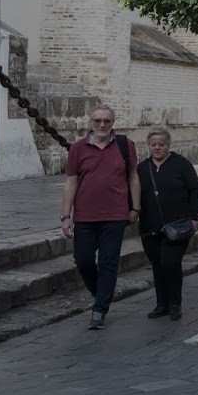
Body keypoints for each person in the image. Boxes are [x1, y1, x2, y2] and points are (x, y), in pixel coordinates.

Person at [61, 105, 140, 330]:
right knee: (83, 259)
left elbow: (133, 176)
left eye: (107, 121)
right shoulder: (78, 148)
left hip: (115, 216)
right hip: (85, 216)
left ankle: (100, 310)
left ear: (113, 123)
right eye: (97, 120)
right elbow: (71, 182)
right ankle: (99, 292)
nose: (102, 125)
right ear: (91, 122)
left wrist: (136, 208)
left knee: (108, 262)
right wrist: (65, 216)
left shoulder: (125, 145)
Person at [136, 127, 198, 321]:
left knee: (170, 262)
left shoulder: (181, 164)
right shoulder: (142, 168)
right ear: (148, 146)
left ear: (168, 145)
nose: (157, 148)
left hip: (177, 225)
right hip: (149, 226)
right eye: (153, 144)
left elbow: (195, 190)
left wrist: (194, 217)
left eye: (161, 144)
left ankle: (175, 303)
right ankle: (161, 304)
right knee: (157, 264)